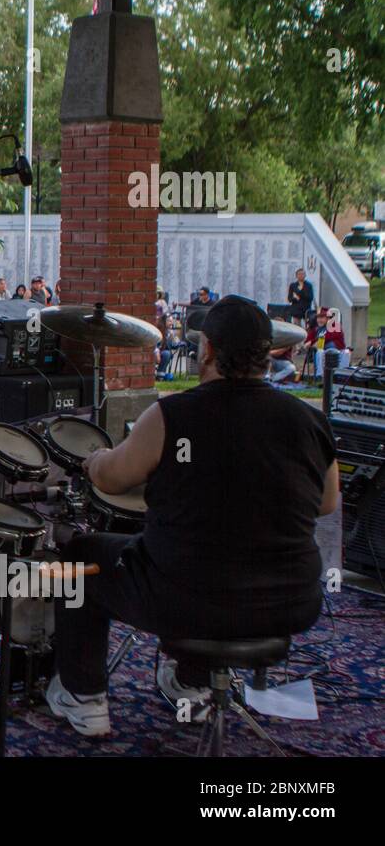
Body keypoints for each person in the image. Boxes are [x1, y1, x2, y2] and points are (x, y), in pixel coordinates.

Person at [46, 296, 337, 737]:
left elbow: (110, 479)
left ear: (208, 350)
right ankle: (192, 683)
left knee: (80, 559)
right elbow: (326, 503)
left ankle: (84, 698)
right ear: (268, 353)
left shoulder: (172, 414)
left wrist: (97, 459)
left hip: (184, 598)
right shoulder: (310, 421)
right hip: (292, 601)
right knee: (217, 561)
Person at [303, 307, 346, 380]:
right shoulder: (315, 329)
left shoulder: (335, 326)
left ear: (328, 319)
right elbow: (306, 343)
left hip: (336, 351)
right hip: (322, 352)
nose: (319, 320)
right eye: (318, 318)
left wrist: (314, 341)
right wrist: (309, 343)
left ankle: (341, 376)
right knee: (320, 351)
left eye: (322, 317)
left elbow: (331, 336)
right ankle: (320, 376)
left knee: (346, 352)